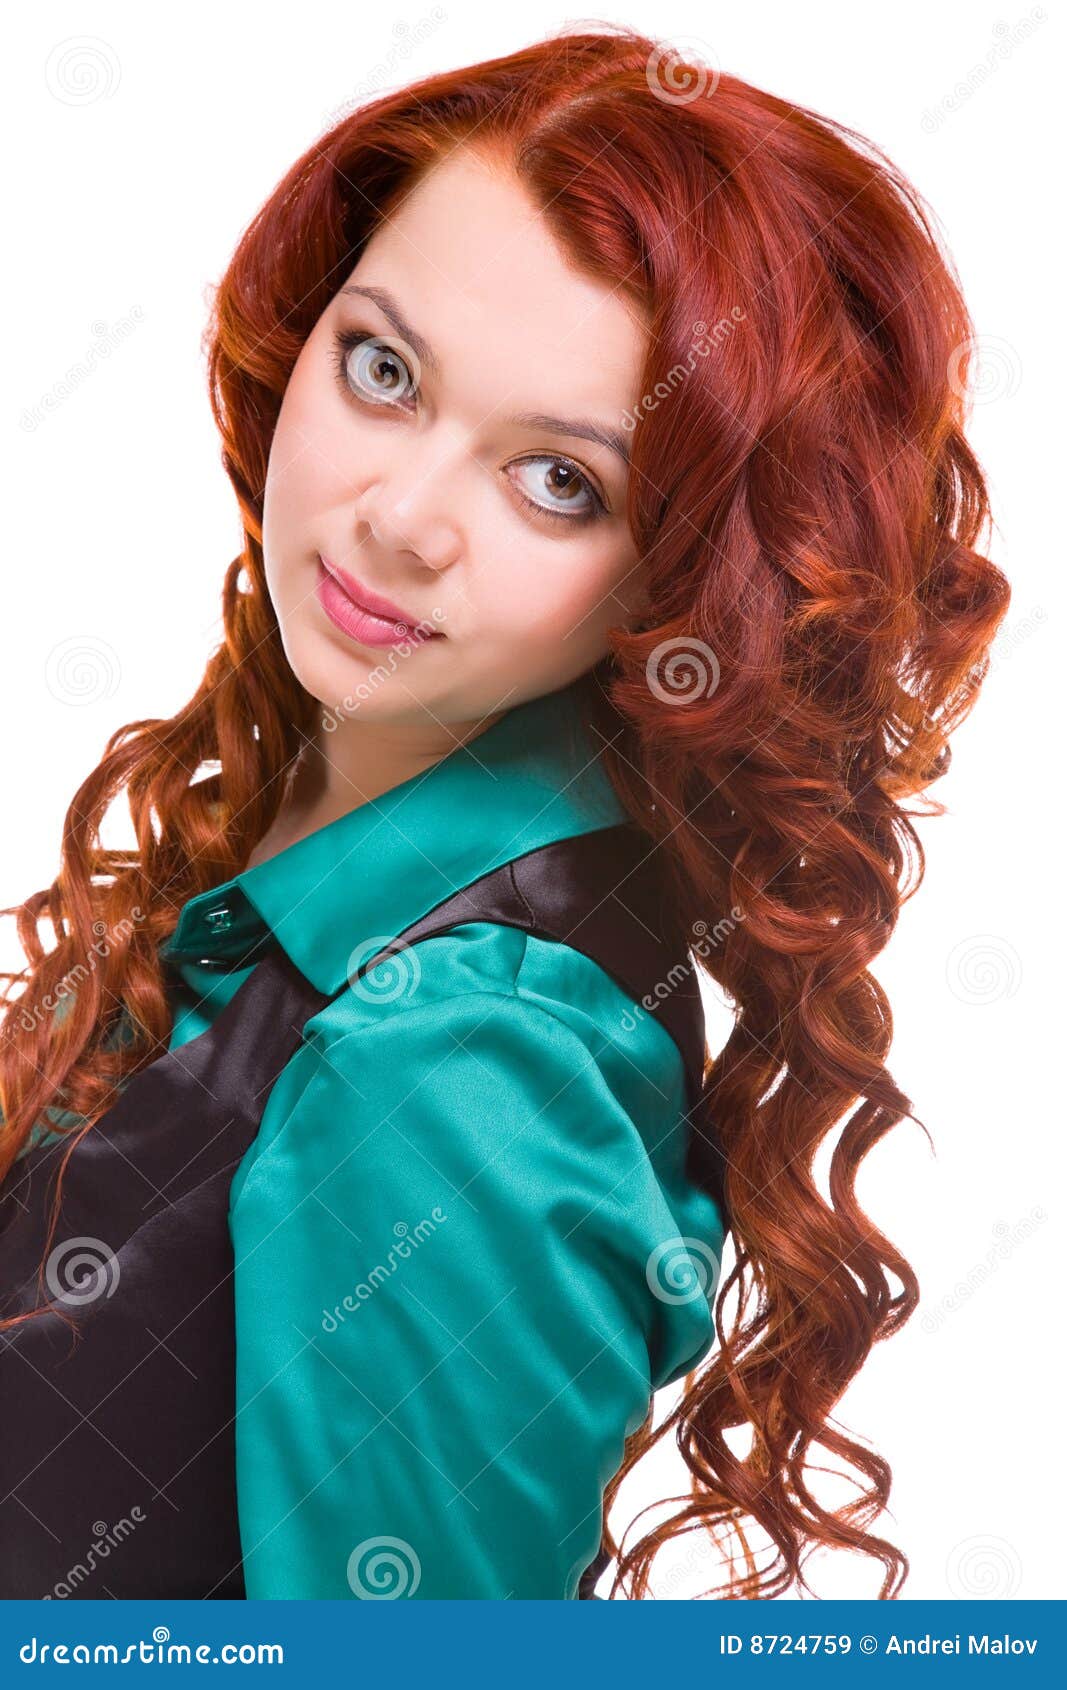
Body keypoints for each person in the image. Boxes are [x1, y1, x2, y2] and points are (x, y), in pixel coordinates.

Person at [0, 25, 1010, 1601]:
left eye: (560, 482)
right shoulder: (351, 805)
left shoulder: (458, 1065)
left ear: (688, 578)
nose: (397, 519)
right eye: (385, 370)